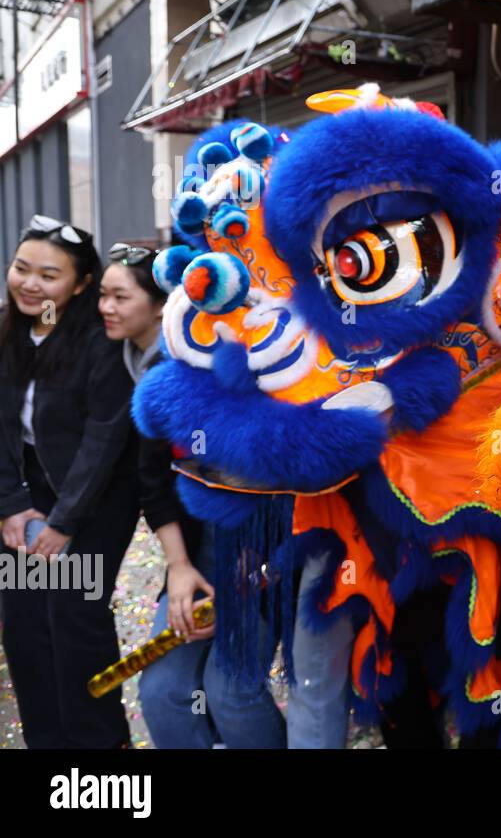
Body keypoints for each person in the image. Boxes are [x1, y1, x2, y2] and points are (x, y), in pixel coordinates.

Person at [99, 242, 286, 748]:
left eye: (120, 296)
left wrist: (255, 576)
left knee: (230, 691)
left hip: (267, 555)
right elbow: (154, 483)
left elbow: (295, 486)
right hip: (197, 554)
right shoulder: (158, 379)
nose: (107, 308)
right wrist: (180, 570)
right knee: (162, 690)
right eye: (103, 295)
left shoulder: (280, 370)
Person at [0, 215, 138, 748]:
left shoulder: (98, 342)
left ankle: (101, 748)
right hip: (28, 492)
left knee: (74, 614)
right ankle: (48, 744)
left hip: (97, 496)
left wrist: (63, 524)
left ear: (80, 284)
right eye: (21, 268)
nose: (30, 284)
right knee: (27, 623)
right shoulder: (11, 331)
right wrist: (12, 506)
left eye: (49, 275)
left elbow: (103, 443)